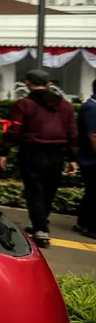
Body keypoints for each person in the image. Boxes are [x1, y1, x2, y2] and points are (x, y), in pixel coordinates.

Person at [0, 68, 78, 248]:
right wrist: (72, 157)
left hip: (31, 151)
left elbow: (14, 130)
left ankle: (41, 230)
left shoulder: (24, 105)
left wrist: (3, 152)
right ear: (49, 84)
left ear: (27, 84)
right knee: (49, 191)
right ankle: (40, 224)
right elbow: (72, 132)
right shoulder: (65, 106)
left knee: (34, 191)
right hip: (56, 153)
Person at [76, 81, 96, 237]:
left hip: (90, 159)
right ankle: (90, 227)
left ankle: (83, 222)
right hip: (91, 160)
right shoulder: (92, 108)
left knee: (91, 191)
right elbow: (93, 135)